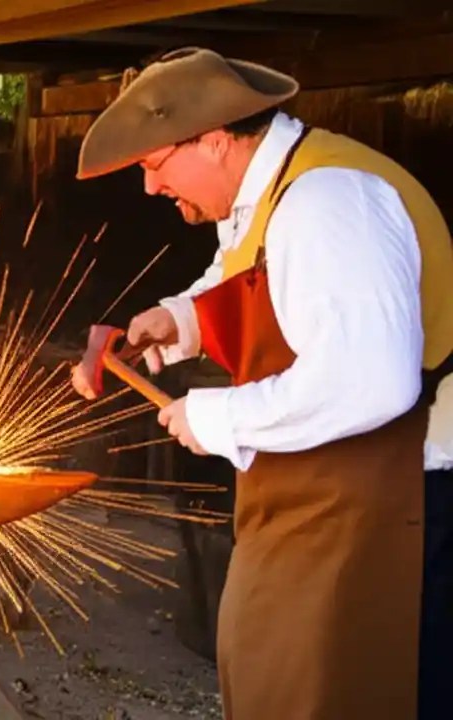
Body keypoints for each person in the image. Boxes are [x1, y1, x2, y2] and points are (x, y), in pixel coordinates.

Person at [69, 47, 453, 720]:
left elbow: (370, 381)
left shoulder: (330, 202)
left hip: (408, 500)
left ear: (214, 142)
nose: (151, 189)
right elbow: (247, 270)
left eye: (155, 166)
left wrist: (218, 419)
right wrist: (179, 317)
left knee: (367, 691)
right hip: (341, 487)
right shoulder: (269, 194)